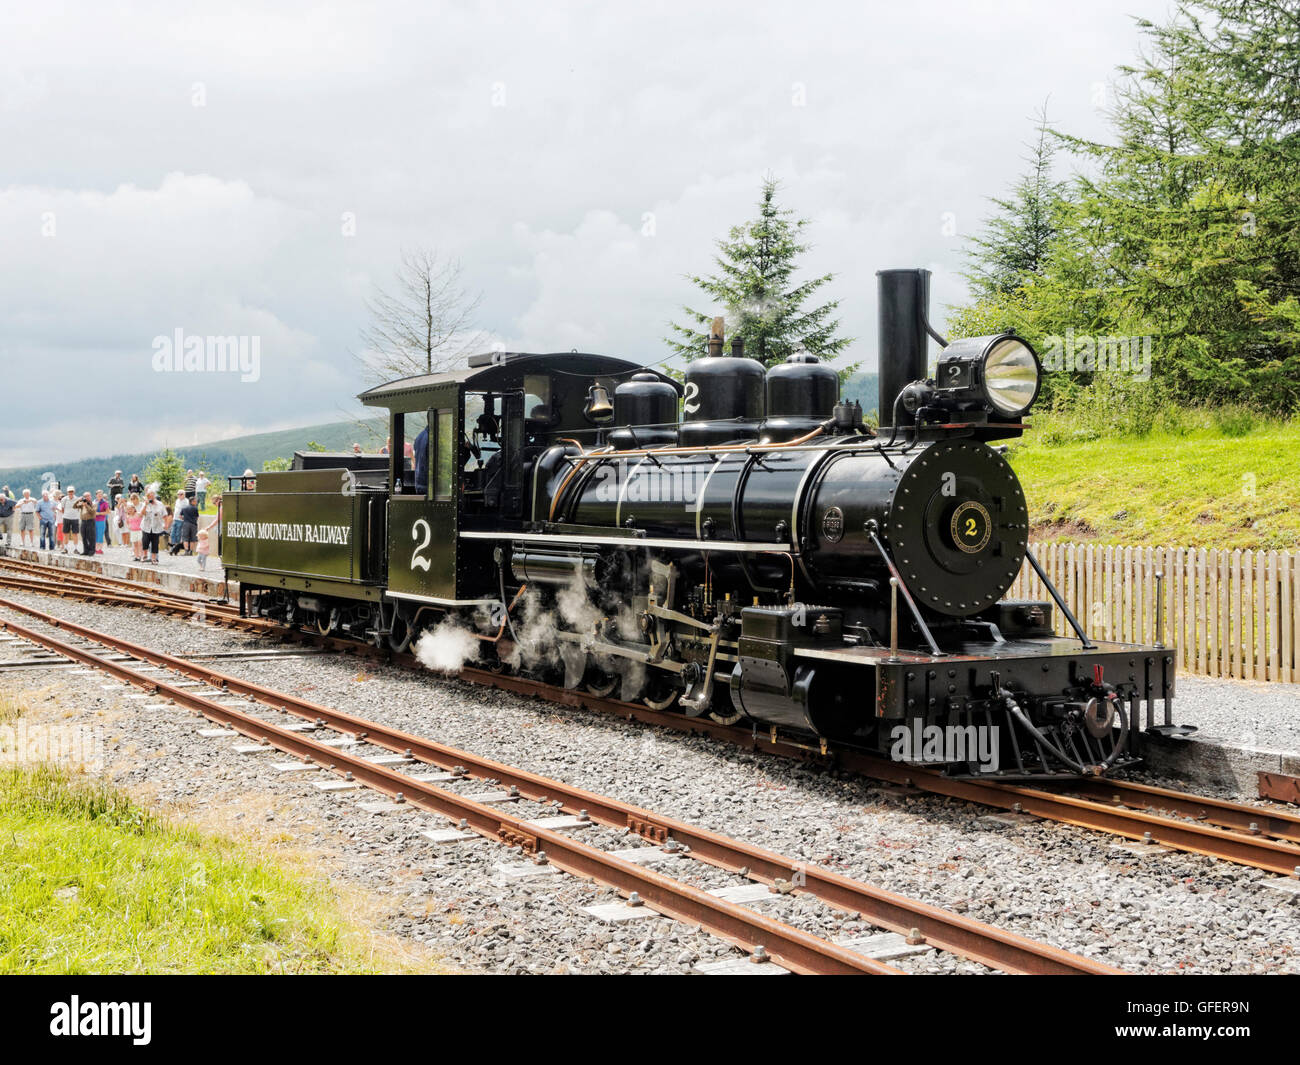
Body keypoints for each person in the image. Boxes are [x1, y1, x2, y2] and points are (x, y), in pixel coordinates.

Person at [139, 489, 167, 564]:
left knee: (155, 543)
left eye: (152, 495)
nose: (151, 496)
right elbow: (141, 514)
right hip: (146, 526)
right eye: (149, 495)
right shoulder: (144, 503)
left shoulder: (160, 504)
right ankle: (144, 556)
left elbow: (164, 514)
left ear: (154, 495)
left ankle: (153, 558)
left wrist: (165, 524)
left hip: (156, 526)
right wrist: (146, 504)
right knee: (145, 542)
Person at [75, 492, 97, 557]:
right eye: (85, 496)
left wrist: (86, 505)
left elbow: (92, 512)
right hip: (83, 521)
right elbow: (74, 506)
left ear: (90, 496)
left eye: (88, 496)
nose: (87, 497)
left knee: (91, 537)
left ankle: (91, 551)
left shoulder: (94, 504)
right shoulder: (82, 504)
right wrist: (78, 500)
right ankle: (86, 550)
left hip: (91, 521)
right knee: (84, 537)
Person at [105, 471, 124, 543]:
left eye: (119, 474)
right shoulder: (112, 479)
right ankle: (113, 510)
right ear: (115, 474)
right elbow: (107, 484)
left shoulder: (121, 480)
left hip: (119, 492)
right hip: (113, 492)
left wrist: (121, 486)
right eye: (117, 474)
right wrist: (111, 486)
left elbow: (123, 485)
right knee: (113, 502)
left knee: (119, 502)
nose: (118, 475)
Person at [124, 493, 144, 560]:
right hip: (133, 530)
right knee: (135, 544)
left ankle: (141, 555)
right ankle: (136, 556)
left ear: (134, 509)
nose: (130, 510)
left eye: (131, 509)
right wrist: (128, 526)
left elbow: (143, 517)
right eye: (128, 509)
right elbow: (127, 522)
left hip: (139, 530)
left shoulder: (138, 514)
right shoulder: (128, 516)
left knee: (140, 543)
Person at [62, 488, 79, 554]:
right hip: (66, 517)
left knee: (75, 534)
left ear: (73, 492)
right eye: (69, 492)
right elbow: (63, 508)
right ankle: (65, 548)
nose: (70, 493)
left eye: (72, 492)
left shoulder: (77, 499)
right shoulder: (64, 499)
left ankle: (76, 548)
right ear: (67, 492)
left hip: (75, 518)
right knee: (66, 534)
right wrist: (66, 514)